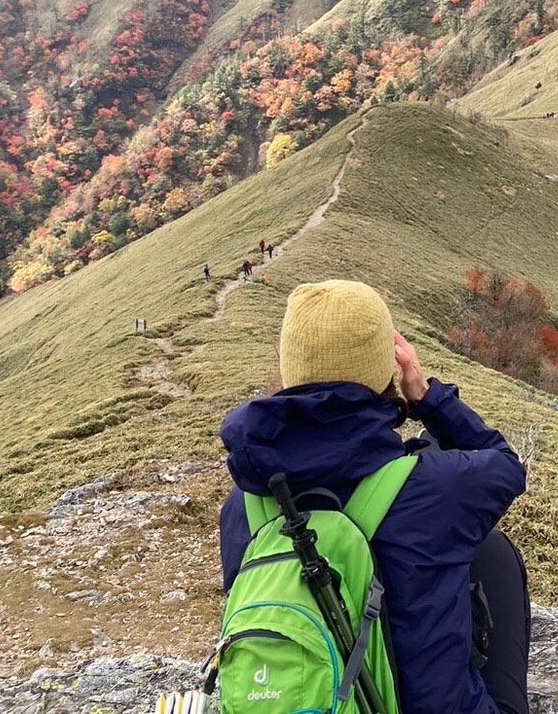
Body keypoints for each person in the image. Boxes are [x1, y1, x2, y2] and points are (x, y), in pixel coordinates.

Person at [218, 280, 530, 714]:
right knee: (493, 550)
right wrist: (427, 397)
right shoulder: (438, 488)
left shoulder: (242, 506)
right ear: (385, 370)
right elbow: (506, 464)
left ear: (289, 368)